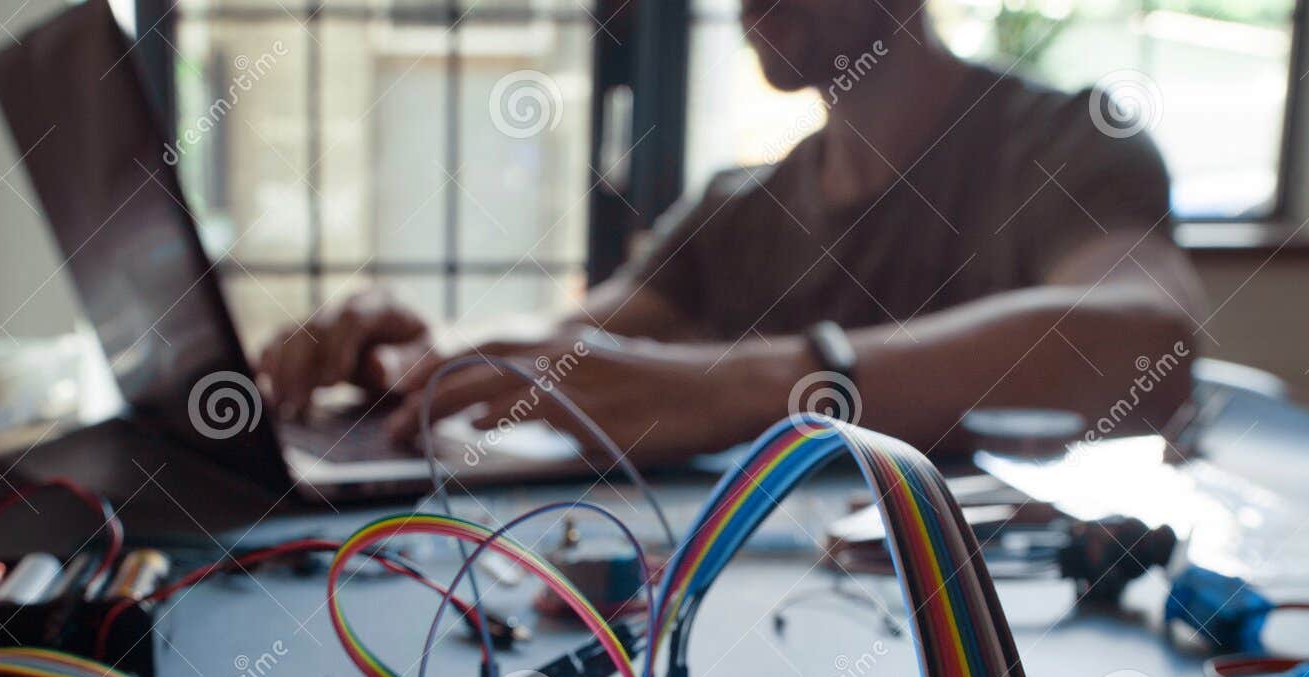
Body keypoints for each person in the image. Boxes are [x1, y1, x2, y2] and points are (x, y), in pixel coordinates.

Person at [258, 0, 1203, 464]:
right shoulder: (740, 207)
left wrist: (753, 389)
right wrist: (429, 361)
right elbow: (586, 349)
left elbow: (1147, 340)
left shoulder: (1067, 145)